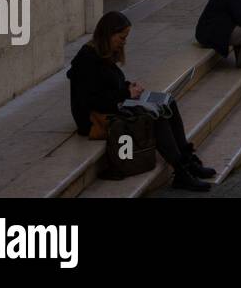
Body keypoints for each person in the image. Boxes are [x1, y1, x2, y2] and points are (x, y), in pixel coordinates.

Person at [70, 11, 216, 192]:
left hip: (113, 105)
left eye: (126, 38)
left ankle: (186, 158)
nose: (123, 42)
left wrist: (129, 87)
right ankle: (180, 171)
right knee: (154, 116)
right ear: (108, 34)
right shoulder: (87, 59)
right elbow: (91, 100)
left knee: (168, 103)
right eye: (121, 37)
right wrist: (125, 93)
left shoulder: (105, 54)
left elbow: (108, 85)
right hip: (93, 118)